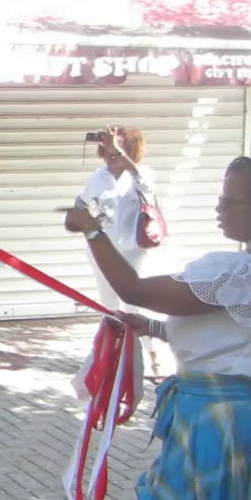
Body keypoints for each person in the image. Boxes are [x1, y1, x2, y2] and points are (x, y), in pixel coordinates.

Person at [63, 156, 251, 500]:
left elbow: (132, 287)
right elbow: (244, 336)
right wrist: (151, 326)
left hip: (220, 426)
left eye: (229, 199)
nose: (218, 207)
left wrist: (92, 230)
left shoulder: (246, 271)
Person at [78, 126, 163, 375]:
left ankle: (153, 355)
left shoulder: (141, 174)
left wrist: (121, 155)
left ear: (131, 149)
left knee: (137, 302)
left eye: (118, 146)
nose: (111, 152)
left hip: (133, 250)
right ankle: (112, 358)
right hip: (103, 249)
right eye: (107, 146)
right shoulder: (97, 177)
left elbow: (145, 186)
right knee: (110, 306)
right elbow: (81, 201)